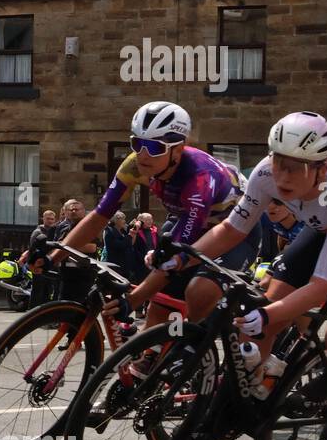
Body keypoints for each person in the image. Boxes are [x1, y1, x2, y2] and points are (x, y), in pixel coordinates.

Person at [191, 111, 327, 408]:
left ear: (321, 169)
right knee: (268, 303)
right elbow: (231, 228)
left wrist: (269, 315)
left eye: (295, 168)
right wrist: (183, 255)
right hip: (325, 227)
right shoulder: (264, 172)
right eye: (279, 163)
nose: (282, 176)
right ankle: (237, 400)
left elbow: (320, 285)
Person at [56, 101, 258, 332]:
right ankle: (153, 358)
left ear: (178, 150)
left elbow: (179, 253)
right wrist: (52, 255)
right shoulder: (135, 165)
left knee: (199, 291)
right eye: (137, 144)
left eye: (154, 148)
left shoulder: (199, 177)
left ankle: (197, 351)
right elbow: (100, 216)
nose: (143, 154)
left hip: (237, 233)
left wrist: (132, 301)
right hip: (190, 222)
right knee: (159, 308)